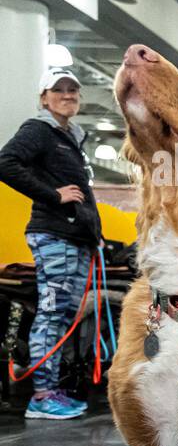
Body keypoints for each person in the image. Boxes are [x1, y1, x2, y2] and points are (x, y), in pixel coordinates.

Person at [0, 68, 101, 420]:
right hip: (53, 235)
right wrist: (51, 195)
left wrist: (93, 234)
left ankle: (52, 388)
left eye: (73, 89)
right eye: (58, 90)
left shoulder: (70, 137)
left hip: (75, 238)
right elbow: (5, 163)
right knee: (52, 312)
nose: (67, 94)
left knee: (65, 315)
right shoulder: (38, 130)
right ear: (44, 97)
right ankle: (41, 396)